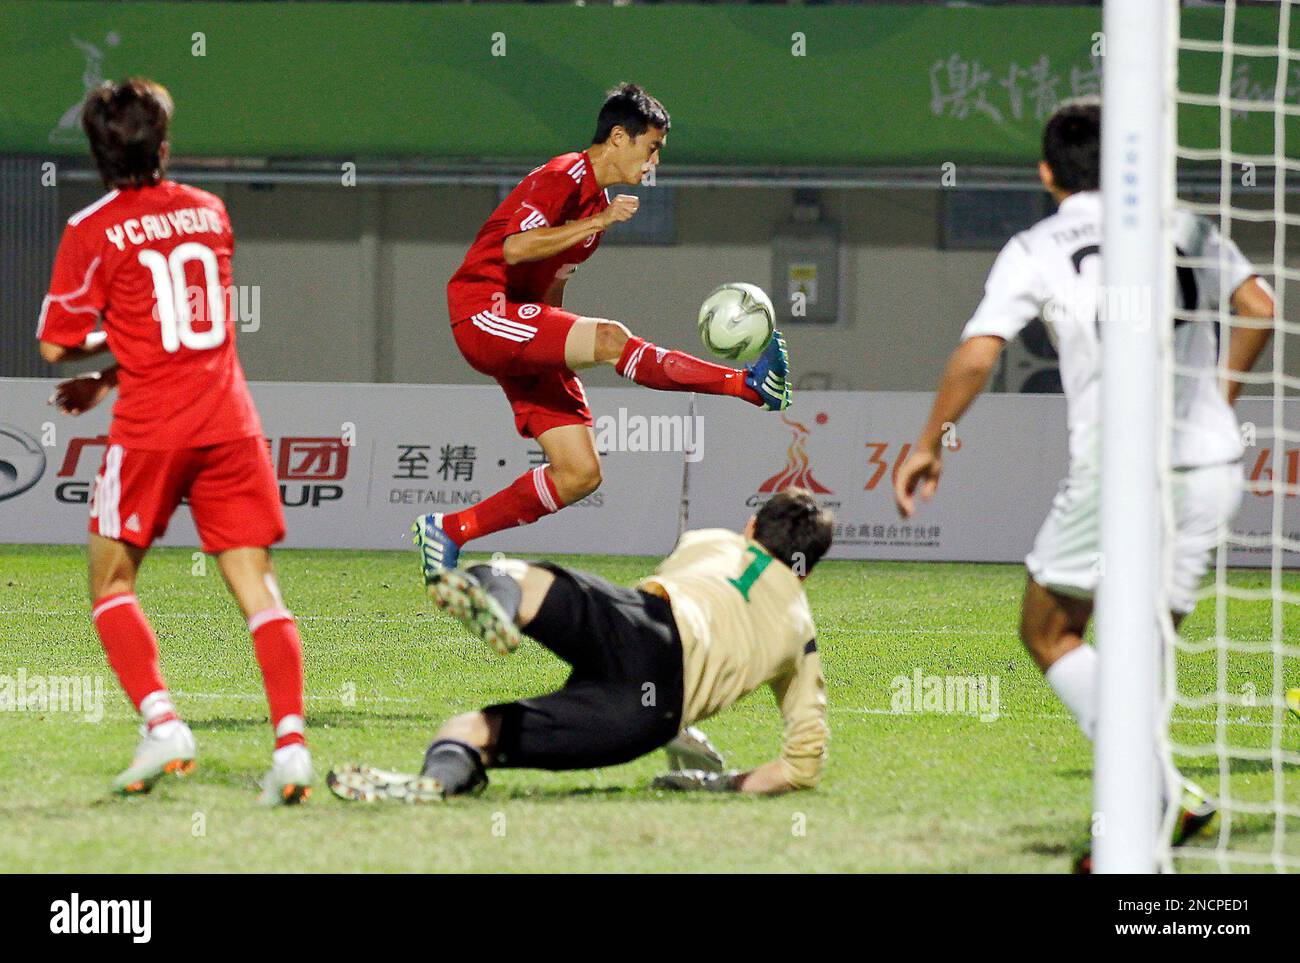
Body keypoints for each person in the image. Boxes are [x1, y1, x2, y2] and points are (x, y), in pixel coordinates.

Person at [893, 98, 1275, 866]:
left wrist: (929, 440)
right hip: (1208, 468)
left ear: (1045, 172)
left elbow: (980, 350)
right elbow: (1260, 306)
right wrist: (1217, 398)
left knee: (1048, 628)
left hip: (1120, 465)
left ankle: (1152, 800)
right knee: (1145, 648)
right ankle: (1146, 825)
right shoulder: (1185, 223)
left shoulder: (1038, 243)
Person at [37, 78, 313, 804]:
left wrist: (98, 366)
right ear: (163, 145)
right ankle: (290, 747)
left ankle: (164, 725)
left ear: (97, 152)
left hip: (152, 431)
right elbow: (182, 323)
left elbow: (55, 344)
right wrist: (113, 371)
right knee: (260, 591)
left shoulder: (89, 230)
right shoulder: (210, 211)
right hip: (228, 421)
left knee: (111, 583)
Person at [413, 82, 792, 576]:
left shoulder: (597, 207)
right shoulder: (562, 175)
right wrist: (599, 226)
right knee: (613, 338)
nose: (655, 161)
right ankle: (746, 385)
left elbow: (550, 291)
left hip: (519, 324)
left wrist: (562, 345)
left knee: (580, 474)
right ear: (619, 137)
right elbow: (515, 249)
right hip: (483, 310)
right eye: (651, 147)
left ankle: (451, 530)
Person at [330, 488, 832, 801]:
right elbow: (801, 766)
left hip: (644, 626)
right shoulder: (800, 633)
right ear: (809, 566)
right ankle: (441, 786)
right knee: (475, 731)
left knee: (509, 572)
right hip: (644, 721)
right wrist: (718, 784)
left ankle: (501, 607)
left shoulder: (713, 542)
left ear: (751, 528)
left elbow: (646, 629)